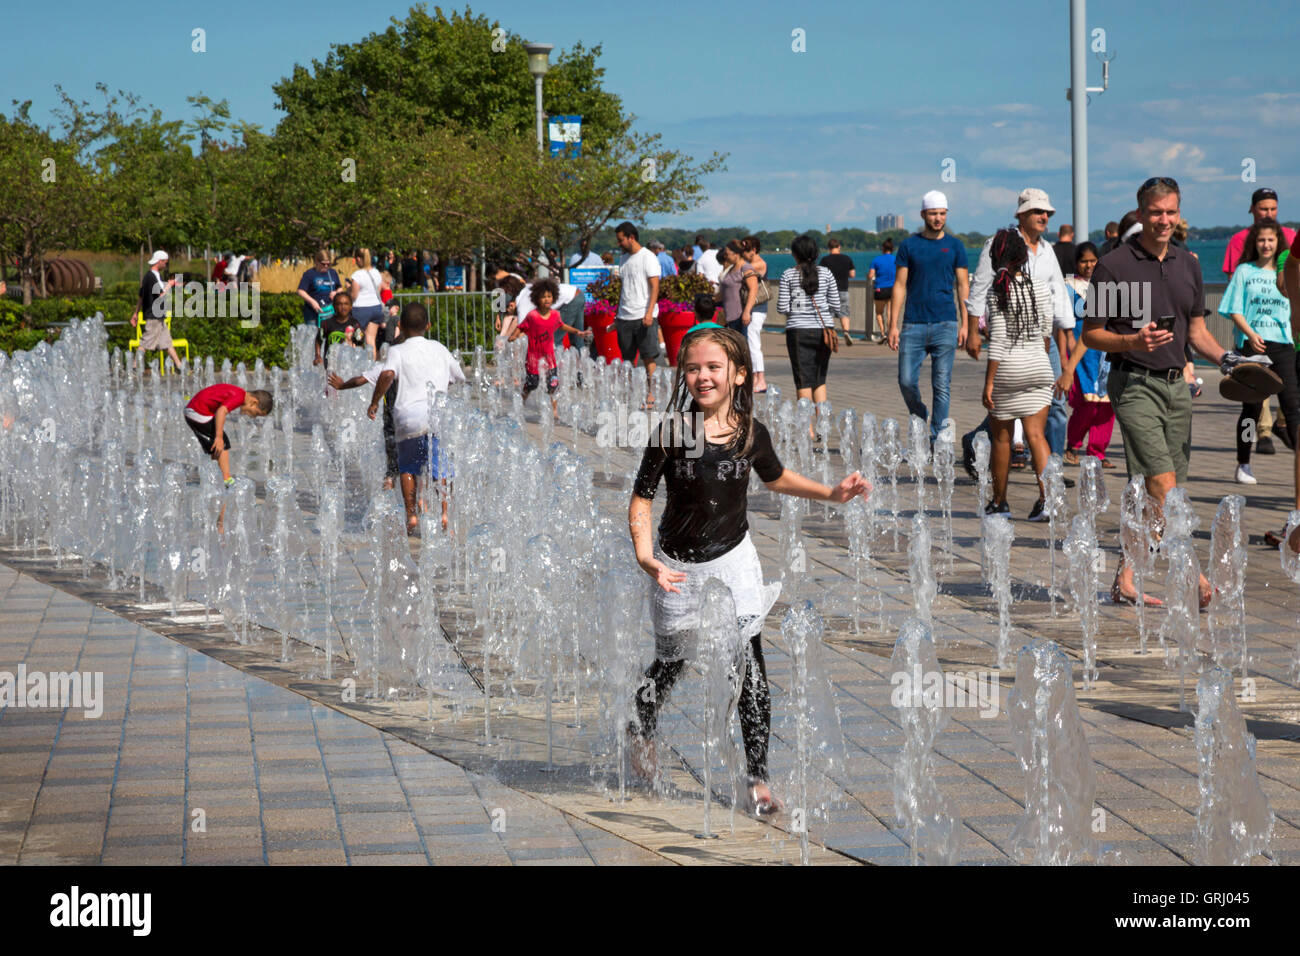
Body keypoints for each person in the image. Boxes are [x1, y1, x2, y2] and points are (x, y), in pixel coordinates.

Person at [626, 323, 870, 813]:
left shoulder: (751, 434)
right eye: (693, 368)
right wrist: (645, 555)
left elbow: (776, 479)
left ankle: (757, 778)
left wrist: (831, 493)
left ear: (739, 375)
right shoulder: (673, 433)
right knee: (672, 664)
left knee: (749, 661)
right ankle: (638, 728)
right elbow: (641, 498)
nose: (702, 377)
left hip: (735, 560)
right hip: (677, 565)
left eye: (714, 367)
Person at [1081, 176, 1260, 607]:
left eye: (1171, 212)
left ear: (1179, 214)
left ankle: (1125, 578)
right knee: (1164, 485)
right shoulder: (1115, 266)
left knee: (1160, 491)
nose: (1164, 220)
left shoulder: (1189, 264)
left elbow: (1197, 333)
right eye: (1156, 212)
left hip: (1179, 388)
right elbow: (1091, 334)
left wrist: (1228, 361)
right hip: (1134, 383)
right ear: (1141, 214)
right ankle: (1195, 578)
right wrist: (1132, 341)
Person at [329, 303, 465, 533]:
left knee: (408, 468)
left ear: (400, 326)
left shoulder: (397, 352)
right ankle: (444, 514)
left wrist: (374, 402)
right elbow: (459, 377)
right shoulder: (440, 348)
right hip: (436, 417)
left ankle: (411, 515)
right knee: (440, 468)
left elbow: (387, 374)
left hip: (408, 418)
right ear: (428, 326)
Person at [962, 189, 1073, 469]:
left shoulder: (1048, 251)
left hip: (1042, 341)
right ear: (1021, 215)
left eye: (1047, 212)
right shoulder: (999, 245)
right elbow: (980, 288)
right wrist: (973, 331)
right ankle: (975, 440)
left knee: (1056, 405)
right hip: (1008, 339)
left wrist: (1067, 343)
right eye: (1038, 211)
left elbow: (1059, 295)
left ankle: (1052, 470)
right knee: (1006, 405)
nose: (1044, 216)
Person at [980, 229, 1055, 518]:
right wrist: (1037, 358)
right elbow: (1047, 331)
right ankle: (1048, 501)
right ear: (1023, 256)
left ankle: (1000, 503)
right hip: (1039, 366)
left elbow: (997, 340)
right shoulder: (1038, 285)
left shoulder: (997, 290)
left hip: (1008, 371)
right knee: (1036, 436)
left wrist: (988, 383)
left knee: (1001, 439)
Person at [888, 191, 970, 442]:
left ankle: (937, 438)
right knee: (906, 381)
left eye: (942, 213)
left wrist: (966, 324)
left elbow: (963, 285)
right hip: (913, 323)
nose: (937, 218)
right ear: (923, 214)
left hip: (946, 323)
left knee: (942, 385)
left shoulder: (955, 246)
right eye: (933, 213)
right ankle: (919, 412)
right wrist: (893, 324)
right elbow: (899, 285)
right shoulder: (910, 246)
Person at [1219, 219, 1295, 489]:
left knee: (1292, 407)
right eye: (1262, 240)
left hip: (1283, 345)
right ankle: (1244, 463)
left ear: (1279, 243)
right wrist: (1251, 335)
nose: (1266, 244)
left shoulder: (1287, 273)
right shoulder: (1244, 271)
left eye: (1271, 240)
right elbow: (1233, 308)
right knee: (1251, 407)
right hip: (1253, 345)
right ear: (1255, 242)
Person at [1060, 243, 1116, 468]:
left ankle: (1097, 452)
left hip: (1105, 350)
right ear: (1076, 263)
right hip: (1081, 352)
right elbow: (1061, 321)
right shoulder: (1068, 286)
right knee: (1087, 403)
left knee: (1106, 404)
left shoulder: (1106, 284)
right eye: (1084, 261)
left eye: (1093, 260)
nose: (1089, 265)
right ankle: (1073, 445)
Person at [508, 278, 593, 416]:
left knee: (553, 384)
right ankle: (520, 403)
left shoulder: (555, 314)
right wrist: (514, 335)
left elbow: (563, 326)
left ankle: (554, 411)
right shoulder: (532, 315)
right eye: (543, 297)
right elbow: (521, 327)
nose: (547, 299)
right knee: (532, 384)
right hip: (534, 358)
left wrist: (578, 332)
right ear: (537, 299)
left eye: (549, 296)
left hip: (549, 357)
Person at [778, 234, 842, 412]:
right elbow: (836, 305)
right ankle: (822, 425)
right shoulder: (827, 273)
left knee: (803, 380)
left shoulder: (788, 275)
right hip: (824, 330)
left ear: (795, 254)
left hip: (797, 331)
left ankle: (807, 429)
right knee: (819, 379)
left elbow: (782, 307)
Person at [184, 384, 273, 485]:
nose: (253, 417)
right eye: (256, 413)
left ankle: (215, 474)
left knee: (215, 446)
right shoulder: (239, 397)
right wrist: (219, 436)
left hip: (196, 410)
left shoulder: (239, 392)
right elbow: (221, 411)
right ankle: (226, 479)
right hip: (198, 412)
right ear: (254, 402)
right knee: (223, 443)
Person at [614, 221, 662, 406]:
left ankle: (651, 393)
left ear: (631, 237)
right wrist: (617, 316)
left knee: (648, 356)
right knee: (627, 360)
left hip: (643, 316)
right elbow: (624, 289)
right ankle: (632, 394)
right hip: (625, 316)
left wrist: (649, 313)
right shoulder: (623, 259)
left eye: (621, 240)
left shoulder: (648, 257)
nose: (619, 244)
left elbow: (655, 287)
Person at [1222, 188, 1298, 277]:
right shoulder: (1239, 239)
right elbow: (1233, 277)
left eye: (1273, 209)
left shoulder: (1290, 235)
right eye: (1264, 209)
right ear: (1252, 209)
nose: (1269, 214)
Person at [134, 250, 186, 373]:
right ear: (159, 261)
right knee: (146, 342)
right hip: (154, 316)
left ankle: (179, 366)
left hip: (159, 316)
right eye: (165, 262)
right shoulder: (151, 277)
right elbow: (161, 294)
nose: (166, 265)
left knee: (167, 342)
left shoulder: (153, 276)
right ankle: (134, 366)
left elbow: (141, 296)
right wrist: (171, 284)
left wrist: (135, 313)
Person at [740, 236, 769, 393]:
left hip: (757, 307)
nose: (743, 253)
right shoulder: (750, 264)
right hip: (753, 307)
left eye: (746, 249)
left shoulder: (758, 264)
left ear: (754, 250)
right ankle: (755, 378)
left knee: (753, 342)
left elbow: (742, 273)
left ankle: (760, 378)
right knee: (751, 342)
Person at [349, 248, 390, 358]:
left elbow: (354, 295)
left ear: (358, 259)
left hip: (360, 309)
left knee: (356, 338)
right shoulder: (376, 272)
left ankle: (355, 362)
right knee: (371, 339)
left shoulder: (357, 275)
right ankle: (371, 364)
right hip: (375, 308)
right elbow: (380, 287)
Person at [312, 290, 364, 369]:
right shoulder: (326, 323)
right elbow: (318, 340)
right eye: (339, 304)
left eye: (346, 304)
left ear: (351, 307)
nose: (343, 307)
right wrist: (317, 355)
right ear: (334, 306)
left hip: (348, 364)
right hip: (330, 364)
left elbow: (360, 343)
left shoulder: (355, 324)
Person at [716, 240, 759, 332]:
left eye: (727, 254)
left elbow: (753, 290)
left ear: (736, 254)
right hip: (729, 316)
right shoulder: (731, 268)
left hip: (739, 316)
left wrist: (747, 312)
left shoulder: (746, 268)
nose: (725, 257)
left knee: (740, 343)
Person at [820, 237, 856, 346]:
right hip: (843, 290)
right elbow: (852, 274)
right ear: (839, 247)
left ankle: (830, 334)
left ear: (829, 248)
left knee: (829, 313)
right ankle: (846, 332)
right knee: (844, 312)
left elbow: (820, 275)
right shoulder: (847, 258)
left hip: (829, 291)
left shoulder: (825, 260)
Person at [296, 251, 342, 325]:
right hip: (313, 314)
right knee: (314, 335)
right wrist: (312, 302)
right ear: (317, 262)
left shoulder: (332, 273)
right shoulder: (309, 274)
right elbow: (300, 291)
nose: (326, 266)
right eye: (323, 264)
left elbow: (339, 287)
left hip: (330, 312)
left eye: (328, 264)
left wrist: (336, 293)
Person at [867, 239, 896, 344]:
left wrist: (868, 276)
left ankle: (883, 333)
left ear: (883, 248)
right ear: (892, 249)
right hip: (893, 289)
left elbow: (871, 275)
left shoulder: (876, 260)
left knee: (879, 312)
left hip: (880, 289)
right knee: (890, 313)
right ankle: (889, 334)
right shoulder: (896, 259)